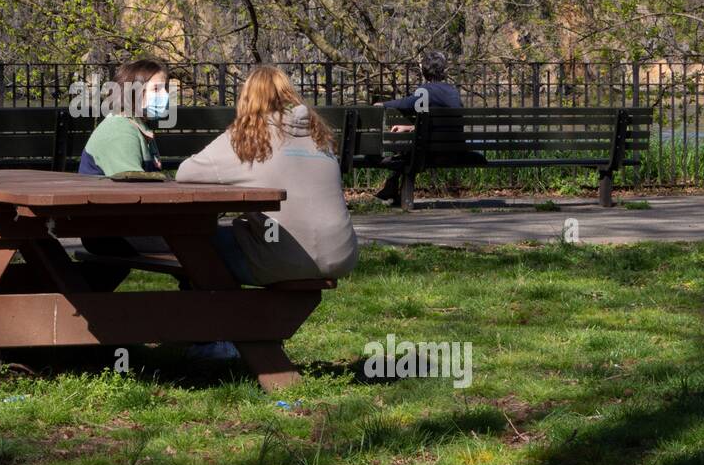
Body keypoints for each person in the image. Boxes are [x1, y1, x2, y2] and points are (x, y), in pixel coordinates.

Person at [176, 64, 359, 291]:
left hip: (281, 258)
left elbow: (185, 172)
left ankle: (210, 318)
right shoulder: (319, 137)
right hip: (342, 255)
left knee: (191, 244)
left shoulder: (246, 138)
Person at [78, 58, 170, 256]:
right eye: (156, 89)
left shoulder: (136, 126)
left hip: (124, 225)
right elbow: (134, 191)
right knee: (201, 241)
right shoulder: (120, 130)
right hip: (111, 231)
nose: (165, 96)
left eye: (165, 89)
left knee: (202, 240)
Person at [373, 50, 465, 206]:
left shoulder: (425, 90)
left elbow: (408, 103)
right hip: (453, 150)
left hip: (432, 153)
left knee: (408, 150)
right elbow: (437, 123)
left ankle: (391, 187)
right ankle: (391, 187)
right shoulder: (453, 91)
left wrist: (384, 104)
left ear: (424, 71)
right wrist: (410, 127)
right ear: (443, 71)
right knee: (412, 148)